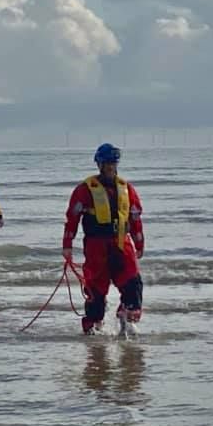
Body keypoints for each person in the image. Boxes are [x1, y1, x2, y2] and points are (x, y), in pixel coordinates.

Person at [62, 143, 145, 337]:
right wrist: (67, 245)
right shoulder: (84, 190)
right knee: (95, 292)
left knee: (133, 283)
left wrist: (139, 243)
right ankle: (93, 330)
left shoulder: (127, 189)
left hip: (121, 245)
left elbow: (135, 217)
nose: (109, 167)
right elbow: (72, 219)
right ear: (99, 165)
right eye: (106, 163)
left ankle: (126, 320)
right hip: (95, 247)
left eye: (113, 163)